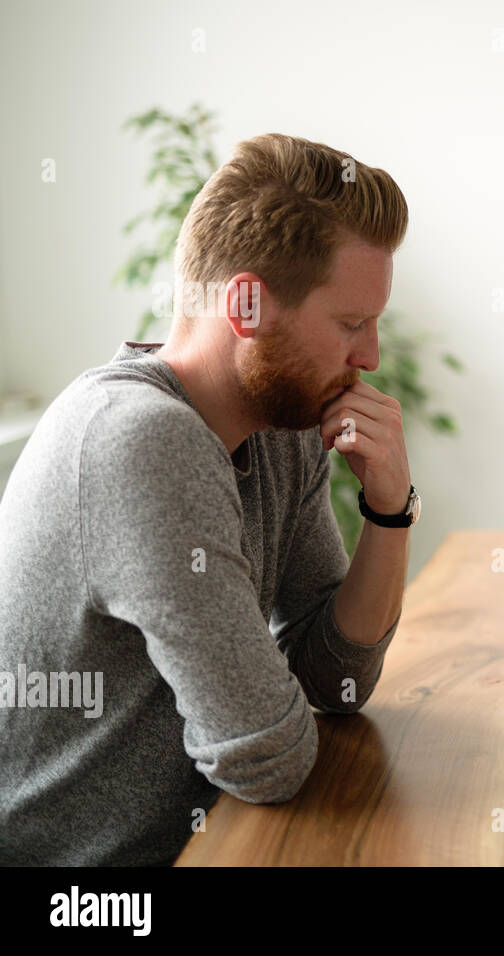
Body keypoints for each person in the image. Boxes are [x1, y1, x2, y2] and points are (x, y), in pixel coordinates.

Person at [0, 133, 419, 865]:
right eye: (350, 323)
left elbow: (337, 680)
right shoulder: (141, 442)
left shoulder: (280, 426)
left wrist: (389, 510)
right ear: (247, 304)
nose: (371, 357)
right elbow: (270, 758)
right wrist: (268, 697)